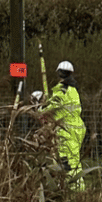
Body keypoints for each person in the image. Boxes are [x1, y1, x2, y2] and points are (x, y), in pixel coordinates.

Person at [41, 60, 86, 191]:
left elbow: (52, 106)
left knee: (68, 163)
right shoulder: (73, 90)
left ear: (58, 73)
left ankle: (75, 190)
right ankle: (76, 189)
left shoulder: (62, 90)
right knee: (74, 161)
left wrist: (38, 110)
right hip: (77, 129)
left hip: (67, 131)